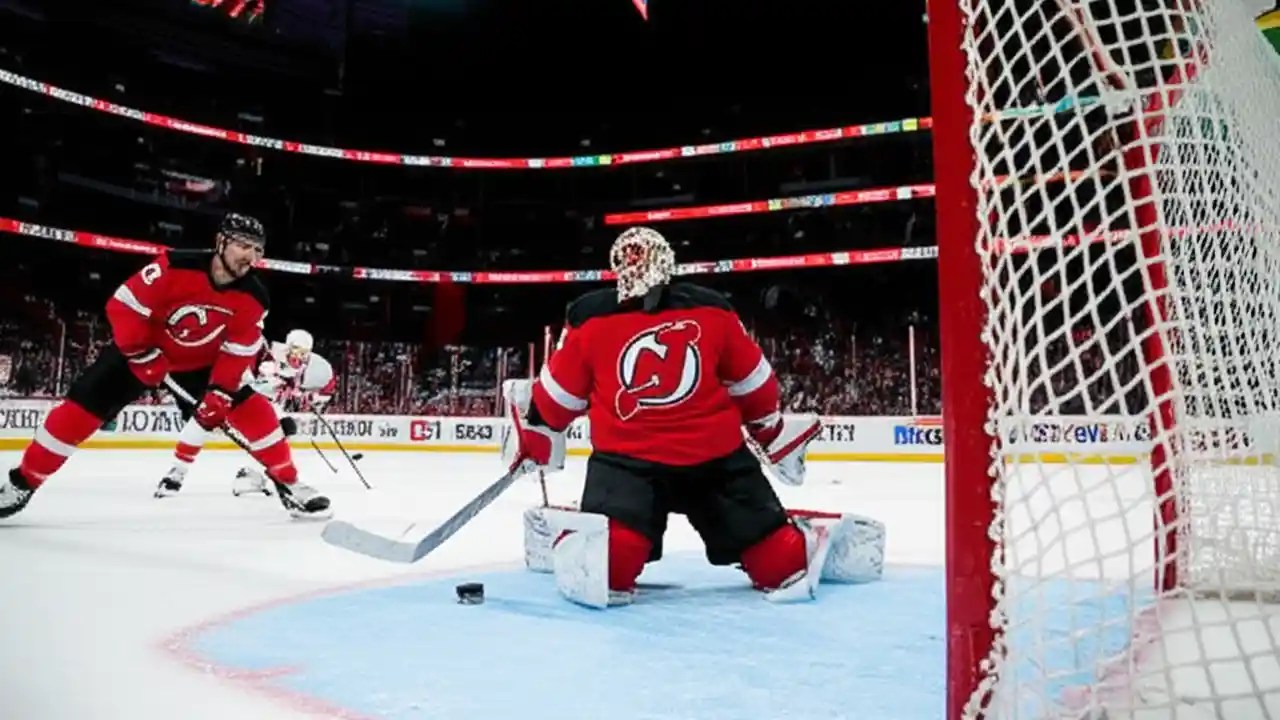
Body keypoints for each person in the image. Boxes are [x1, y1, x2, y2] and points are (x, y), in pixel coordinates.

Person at [502, 226, 885, 608]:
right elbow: (756, 388)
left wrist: (536, 421)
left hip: (699, 462)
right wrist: (767, 426)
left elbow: (555, 403)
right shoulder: (703, 307)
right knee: (608, 571)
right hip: (644, 465)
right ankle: (586, 529)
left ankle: (802, 534)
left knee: (778, 564)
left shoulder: (599, 315)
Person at [0, 213, 330, 520]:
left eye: (256, 250)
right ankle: (23, 482)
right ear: (220, 242)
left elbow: (238, 348)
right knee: (76, 414)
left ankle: (289, 483)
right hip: (138, 352)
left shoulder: (255, 297)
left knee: (255, 411)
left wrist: (220, 392)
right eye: (243, 245)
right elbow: (124, 306)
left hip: (200, 363)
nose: (250, 256)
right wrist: (141, 354)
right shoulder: (174, 266)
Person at [154, 328, 336, 499]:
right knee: (204, 421)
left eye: (304, 353)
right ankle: (177, 472)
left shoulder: (295, 368)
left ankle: (254, 476)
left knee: (278, 434)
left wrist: (302, 397)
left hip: (257, 406)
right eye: (296, 350)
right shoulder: (269, 357)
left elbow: (284, 394)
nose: (299, 356)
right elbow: (255, 382)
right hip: (234, 398)